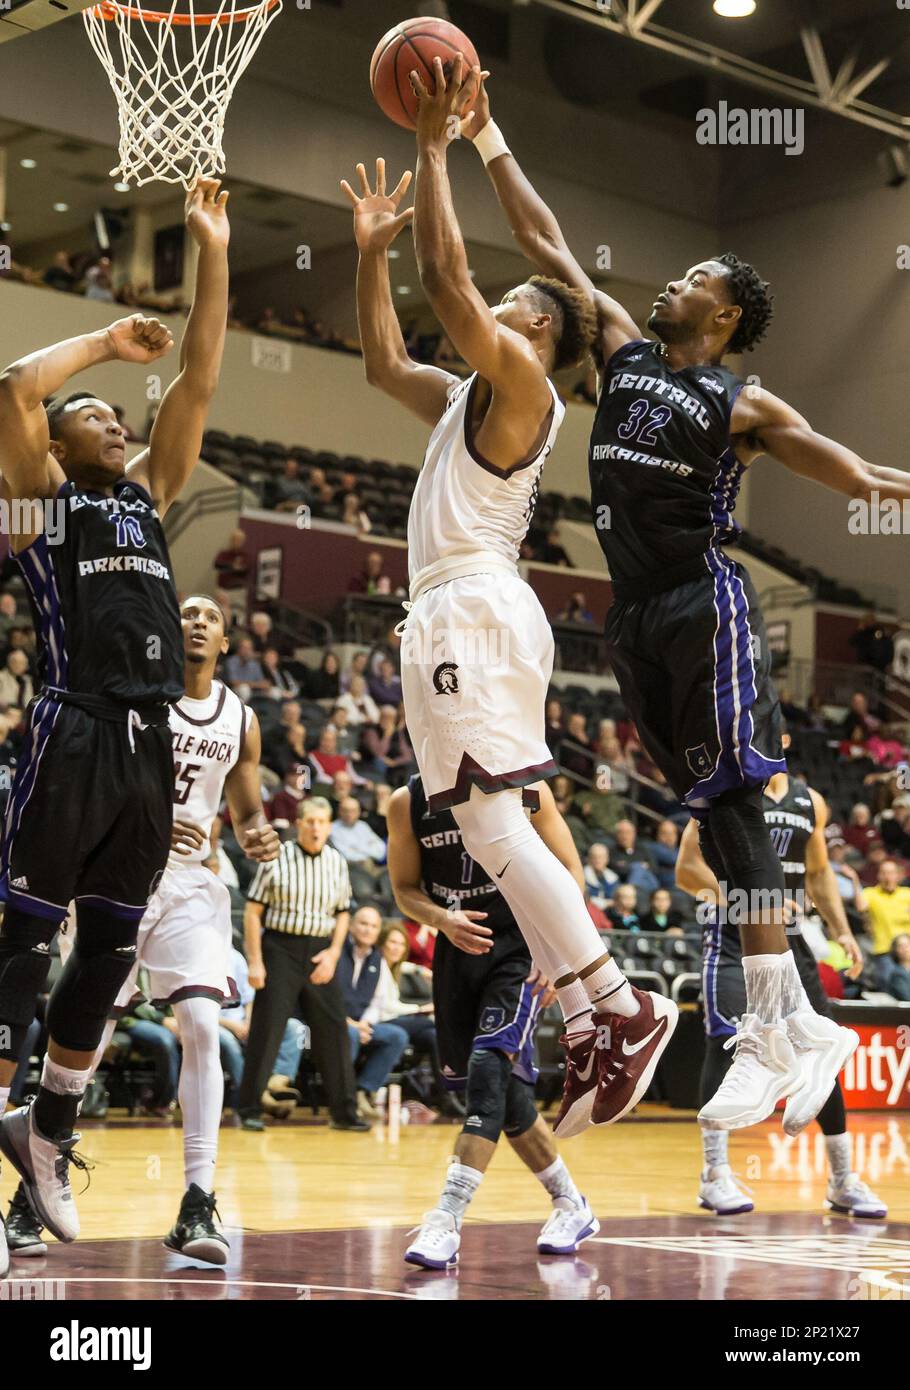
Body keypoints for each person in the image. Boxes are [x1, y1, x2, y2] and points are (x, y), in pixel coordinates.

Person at [465, 66, 908, 1130]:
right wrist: (485, 135)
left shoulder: (740, 398)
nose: (672, 283)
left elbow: (847, 471)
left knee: (740, 805)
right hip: (631, 616)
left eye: (695, 277)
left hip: (703, 601)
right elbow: (547, 246)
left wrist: (889, 487)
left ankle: (773, 1018)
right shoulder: (618, 346)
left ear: (727, 312)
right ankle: (791, 1020)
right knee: (713, 813)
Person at [346, 96, 676, 1138]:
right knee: (490, 832)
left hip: (471, 609)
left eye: (513, 301)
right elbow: (382, 367)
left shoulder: (527, 377)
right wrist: (366, 255)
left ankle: (619, 1003)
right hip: (465, 612)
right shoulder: (470, 393)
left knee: (493, 826)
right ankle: (586, 1011)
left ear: (539, 325)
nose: (493, 300)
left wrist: (435, 146)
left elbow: (445, 284)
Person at [0, 177, 230, 1268]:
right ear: (60, 437)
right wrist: (99, 342)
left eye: (115, 412)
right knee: (22, 942)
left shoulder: (146, 493)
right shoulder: (38, 497)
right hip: (71, 725)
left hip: (148, 744)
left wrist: (212, 247)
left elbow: (198, 377)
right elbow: (11, 383)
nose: (116, 417)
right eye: (94, 413)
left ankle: (46, 1136)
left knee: (107, 949)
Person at [5, 594, 281, 1262]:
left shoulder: (241, 720)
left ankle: (196, 1203)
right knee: (85, 1034)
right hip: (120, 876)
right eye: (185, 612)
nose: (196, 621)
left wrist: (256, 833)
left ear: (226, 640)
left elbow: (244, 812)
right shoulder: (137, 697)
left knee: (202, 1027)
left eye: (210, 617)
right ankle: (30, 1193)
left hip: (190, 886)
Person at [388, 775, 597, 1268]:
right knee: (504, 1093)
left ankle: (446, 1218)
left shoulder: (525, 786)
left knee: (488, 1070)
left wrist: (559, 951)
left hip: (521, 944)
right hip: (457, 948)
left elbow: (569, 870)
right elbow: (403, 889)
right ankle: (571, 1203)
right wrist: (440, 918)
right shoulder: (407, 802)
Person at [676, 747, 885, 1219]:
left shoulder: (810, 801)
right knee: (725, 1041)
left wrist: (843, 930)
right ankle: (714, 1176)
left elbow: (818, 873)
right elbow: (686, 871)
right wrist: (752, 898)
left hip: (791, 939)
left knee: (820, 1048)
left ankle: (842, 1178)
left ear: (783, 739)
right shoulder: (727, 790)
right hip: (731, 932)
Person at [238, 797, 367, 1131]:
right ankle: (249, 1109)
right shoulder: (275, 858)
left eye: (322, 822)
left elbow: (342, 913)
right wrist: (256, 961)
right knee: (268, 1028)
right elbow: (253, 913)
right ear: (299, 823)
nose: (316, 828)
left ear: (328, 825)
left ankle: (344, 1113)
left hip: (320, 951)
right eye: (310, 821)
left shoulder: (337, 862)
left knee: (334, 1030)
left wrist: (335, 952)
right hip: (280, 947)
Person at [337, 906, 408, 1120]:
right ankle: (343, 1098)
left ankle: (363, 1090)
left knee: (397, 1036)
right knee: (349, 1035)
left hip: (361, 1024)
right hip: (331, 1023)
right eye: (363, 924)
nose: (368, 930)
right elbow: (324, 998)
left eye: (374, 926)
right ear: (351, 925)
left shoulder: (377, 959)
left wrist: (365, 1024)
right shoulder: (336, 951)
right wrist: (351, 1024)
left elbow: (377, 1002)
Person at [862, 859, 910, 963]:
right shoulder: (870, 893)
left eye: (891, 873)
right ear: (878, 875)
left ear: (898, 875)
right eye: (884, 873)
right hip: (884, 951)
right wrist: (854, 880)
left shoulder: (907, 893)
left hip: (907, 950)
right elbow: (860, 907)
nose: (887, 876)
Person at [584, 843, 619, 912]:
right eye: (594, 857)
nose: (598, 860)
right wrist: (606, 903)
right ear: (589, 859)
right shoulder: (582, 876)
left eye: (601, 857)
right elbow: (585, 899)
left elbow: (617, 900)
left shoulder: (613, 878)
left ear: (607, 859)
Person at [879, 933, 910, 1001]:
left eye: (908, 944)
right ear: (896, 950)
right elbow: (907, 998)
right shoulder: (897, 974)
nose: (906, 949)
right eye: (901, 946)